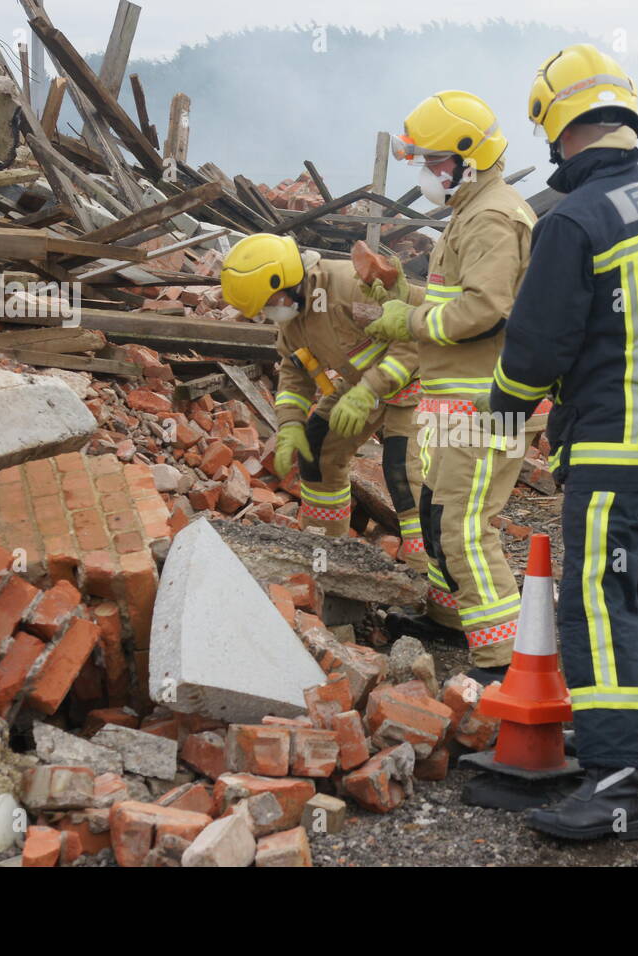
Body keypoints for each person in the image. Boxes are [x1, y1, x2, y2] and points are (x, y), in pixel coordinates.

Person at [486, 44, 638, 840]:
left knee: (595, 603)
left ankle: (614, 786)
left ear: (556, 128)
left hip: (616, 446)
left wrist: (501, 416)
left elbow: (536, 347)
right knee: (637, 593)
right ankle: (629, 741)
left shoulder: (572, 219)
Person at [365, 91, 542, 682]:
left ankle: (506, 664)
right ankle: (454, 623)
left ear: (467, 156)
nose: (426, 173)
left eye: (433, 161)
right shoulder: (471, 210)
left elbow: (485, 309)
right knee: (440, 516)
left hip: (483, 404)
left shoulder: (493, 215)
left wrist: (408, 321)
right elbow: (451, 302)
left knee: (466, 529)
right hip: (454, 403)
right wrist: (402, 294)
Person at [220, 233, 428, 572]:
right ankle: (325, 553)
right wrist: (289, 424)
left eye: (269, 302)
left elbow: (413, 336)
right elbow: (294, 371)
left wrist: (369, 391)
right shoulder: (295, 315)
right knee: (316, 451)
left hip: (420, 378)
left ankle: (430, 584)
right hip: (365, 382)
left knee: (404, 475)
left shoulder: (349, 289)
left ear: (285, 281)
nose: (269, 313)